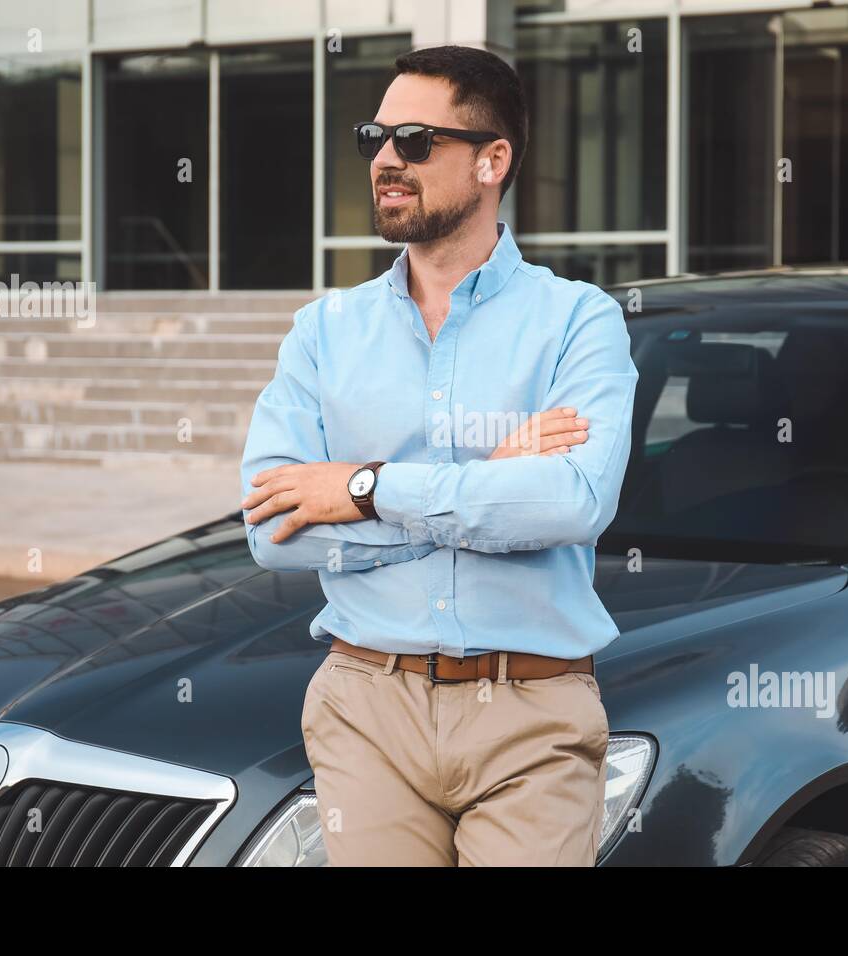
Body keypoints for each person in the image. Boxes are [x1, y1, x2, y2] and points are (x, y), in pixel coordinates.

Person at [239, 44, 638, 866]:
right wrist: (485, 487)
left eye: (416, 140)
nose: (387, 158)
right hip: (365, 704)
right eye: (374, 137)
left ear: (493, 160)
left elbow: (572, 503)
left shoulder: (579, 321)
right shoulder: (324, 332)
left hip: (532, 708)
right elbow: (272, 526)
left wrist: (362, 486)